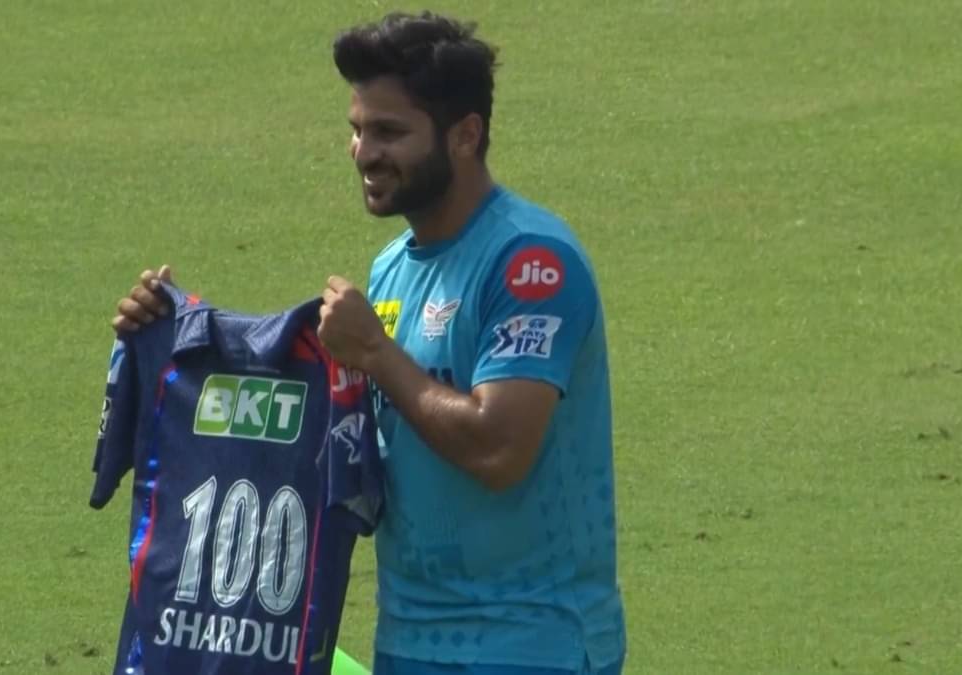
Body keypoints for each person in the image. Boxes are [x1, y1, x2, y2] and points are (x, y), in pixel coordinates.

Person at [113, 11, 625, 675]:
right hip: (409, 639)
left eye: (389, 132)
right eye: (357, 129)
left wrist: (378, 354)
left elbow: (500, 449)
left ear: (466, 135)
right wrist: (179, 344)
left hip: (529, 644)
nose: (362, 151)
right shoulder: (392, 270)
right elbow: (357, 441)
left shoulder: (530, 263)